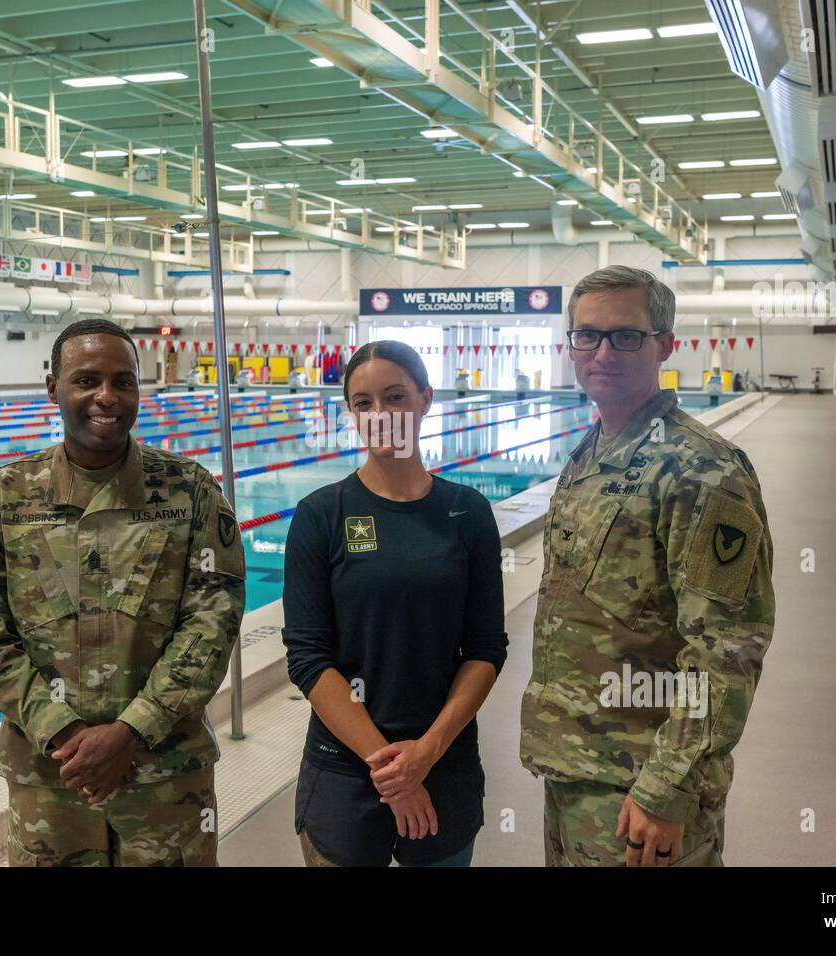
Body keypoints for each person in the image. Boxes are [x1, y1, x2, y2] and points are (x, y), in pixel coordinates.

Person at [0, 318, 246, 866]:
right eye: (86, 380)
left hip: (165, 778)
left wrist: (133, 732)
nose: (106, 396)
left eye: (122, 381)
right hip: (50, 777)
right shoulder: (1, 497)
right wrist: (61, 732)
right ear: (52, 387)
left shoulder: (190, 491)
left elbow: (213, 623)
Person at [520, 266, 775, 867]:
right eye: (587, 335)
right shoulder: (591, 454)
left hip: (641, 785)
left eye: (625, 336)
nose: (602, 351)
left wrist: (668, 788)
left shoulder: (701, 469)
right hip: (578, 769)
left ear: (664, 344)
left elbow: (726, 647)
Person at [282, 340, 507, 867]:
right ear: (351, 415)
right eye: (363, 403)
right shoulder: (321, 515)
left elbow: (485, 648)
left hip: (443, 763)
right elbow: (309, 659)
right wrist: (394, 776)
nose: (379, 415)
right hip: (344, 769)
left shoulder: (467, 513)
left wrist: (424, 754)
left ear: (426, 399)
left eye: (395, 396)